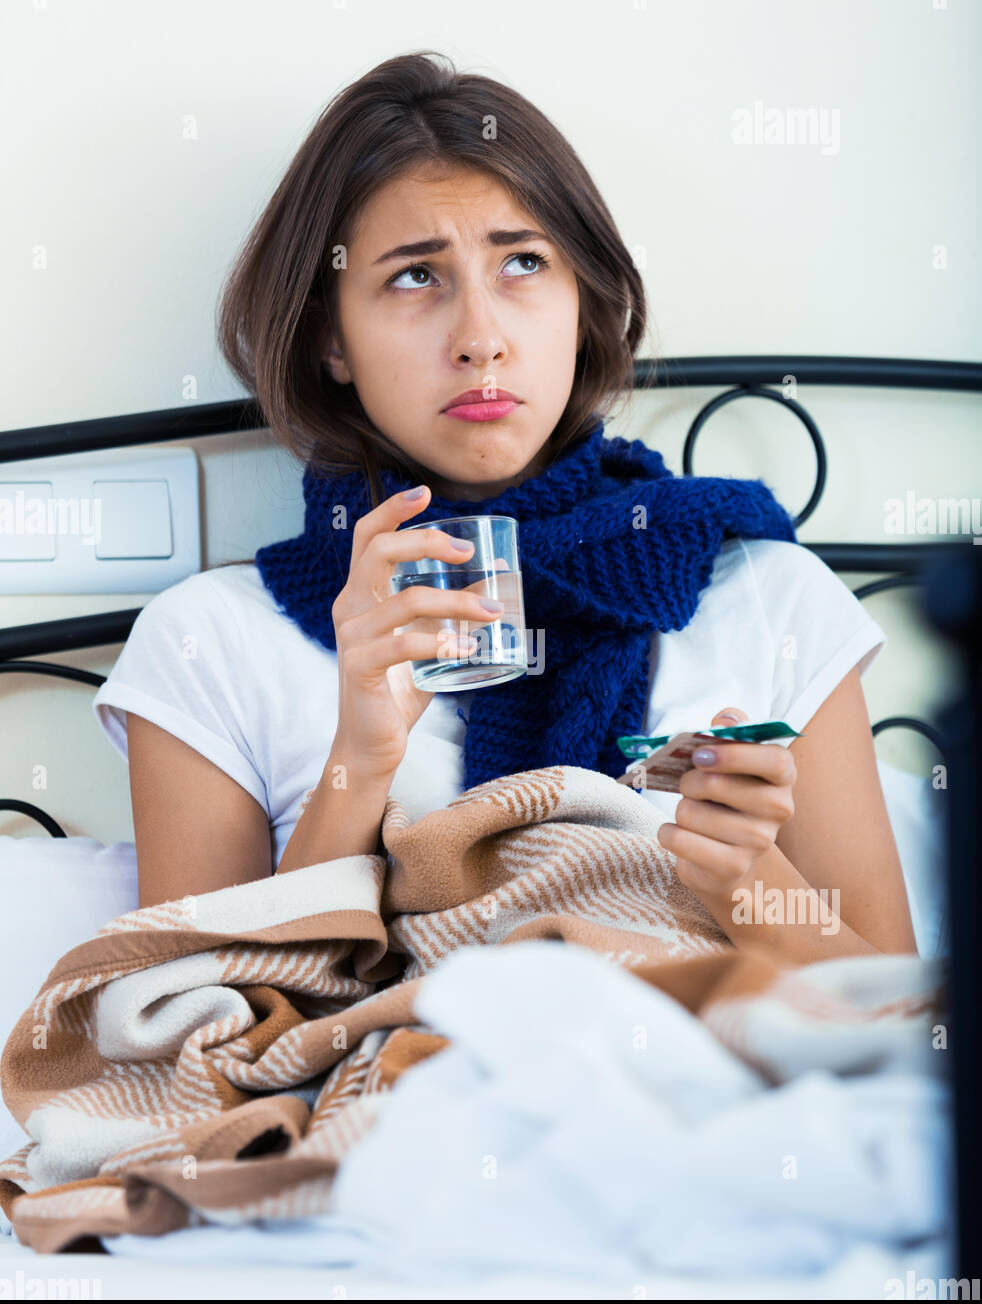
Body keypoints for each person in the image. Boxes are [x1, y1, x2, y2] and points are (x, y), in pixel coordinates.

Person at [92, 52, 916, 962]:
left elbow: (891, 1021)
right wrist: (357, 767)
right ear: (331, 337)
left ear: (583, 302)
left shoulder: (769, 595)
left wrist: (746, 877)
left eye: (523, 263)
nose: (481, 339)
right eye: (415, 276)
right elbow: (191, 1048)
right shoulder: (208, 642)